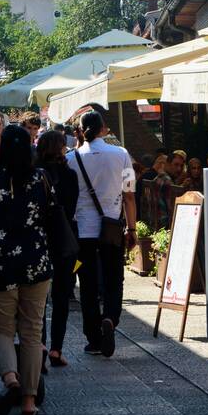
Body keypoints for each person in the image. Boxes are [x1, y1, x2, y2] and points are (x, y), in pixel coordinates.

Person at [0, 125, 63, 415]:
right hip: (36, 261)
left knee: (2, 330)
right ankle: (29, 400)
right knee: (32, 331)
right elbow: (52, 215)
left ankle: (10, 378)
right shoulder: (41, 178)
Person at [67, 108, 137, 358]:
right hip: (113, 229)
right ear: (103, 129)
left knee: (86, 283)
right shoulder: (121, 154)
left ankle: (93, 337)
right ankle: (110, 317)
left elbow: (68, 197)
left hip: (83, 231)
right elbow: (129, 194)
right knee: (113, 278)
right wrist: (132, 228)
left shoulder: (71, 158)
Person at [35, 130, 80, 368]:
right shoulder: (69, 175)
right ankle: (56, 349)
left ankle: (39, 345)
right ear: (62, 148)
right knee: (61, 295)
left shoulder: (32, 175)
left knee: (37, 296)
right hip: (64, 240)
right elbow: (71, 210)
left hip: (38, 240)